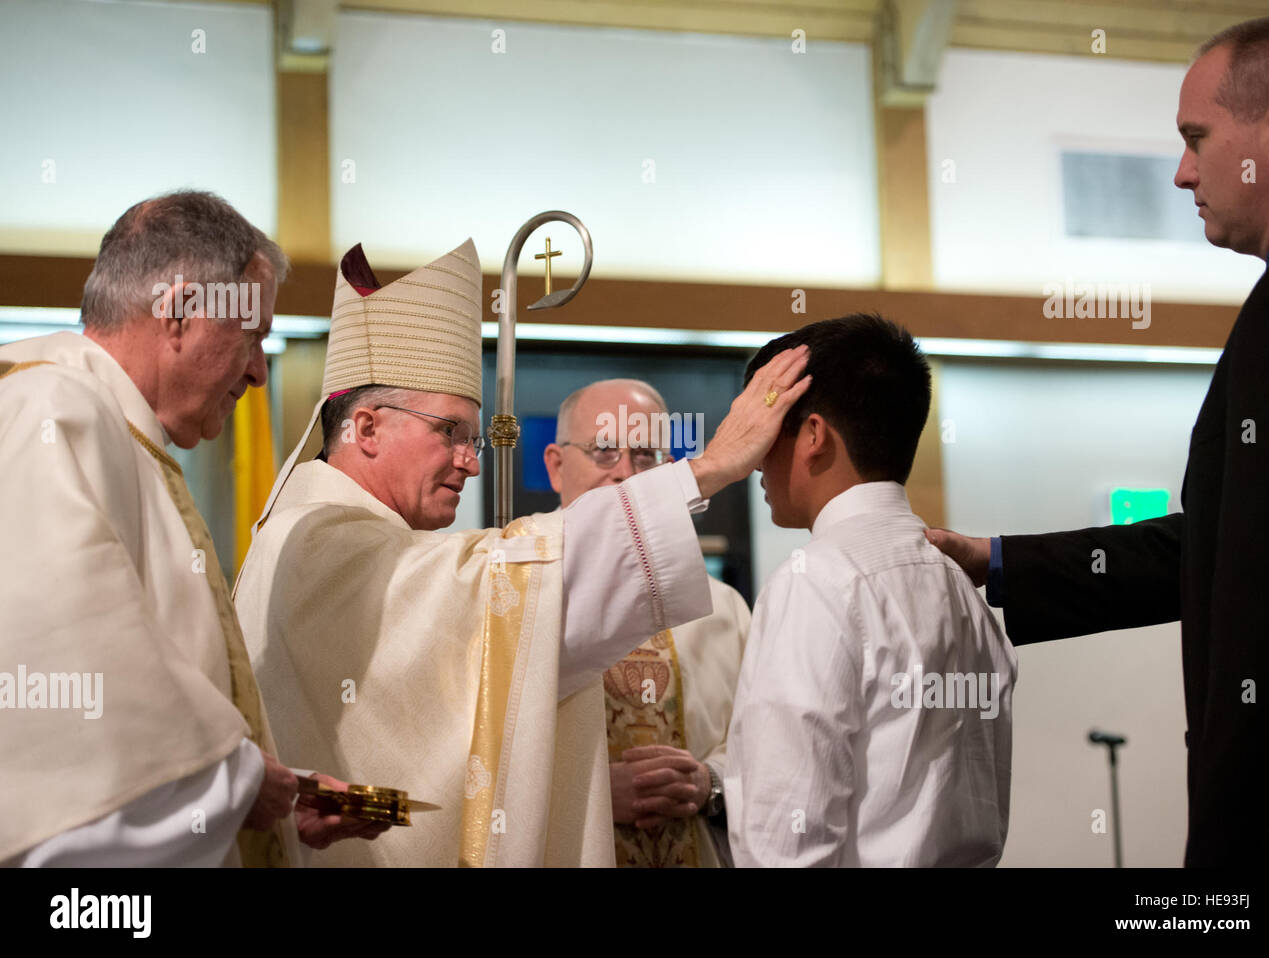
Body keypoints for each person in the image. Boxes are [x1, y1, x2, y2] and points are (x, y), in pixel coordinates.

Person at [234, 240, 808, 866]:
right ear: (367, 427)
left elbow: (382, 780)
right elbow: (510, 587)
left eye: (475, 439)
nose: (473, 462)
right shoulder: (326, 541)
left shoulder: (333, 533)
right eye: (449, 432)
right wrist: (712, 467)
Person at [926, 16, 1269, 867]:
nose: (1180, 173)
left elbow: (1262, 601)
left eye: (1197, 139)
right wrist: (999, 560)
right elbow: (1220, 547)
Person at [0, 190, 381, 867]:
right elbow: (70, 746)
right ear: (178, 315)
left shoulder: (121, 436)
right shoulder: (53, 414)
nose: (262, 371)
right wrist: (241, 784)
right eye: (254, 335)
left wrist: (269, 800)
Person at [726, 314, 1016, 867]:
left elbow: (787, 837)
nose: (755, 457)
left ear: (812, 436)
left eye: (761, 427)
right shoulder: (960, 585)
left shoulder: (815, 582)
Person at [543, 378, 750, 867]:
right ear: (555, 465)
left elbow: (767, 745)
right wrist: (584, 796)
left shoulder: (721, 608)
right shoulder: (511, 593)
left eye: (646, 457)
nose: (626, 475)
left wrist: (709, 783)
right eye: (604, 452)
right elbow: (474, 745)